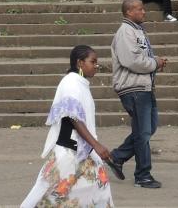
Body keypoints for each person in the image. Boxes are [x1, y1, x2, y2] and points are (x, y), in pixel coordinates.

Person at [20, 45, 117, 208]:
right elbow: (74, 117)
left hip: (83, 154)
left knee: (100, 190)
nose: (96, 66)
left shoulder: (80, 83)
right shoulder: (71, 83)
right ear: (80, 63)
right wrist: (96, 145)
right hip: (69, 153)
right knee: (45, 195)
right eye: (93, 62)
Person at [109, 0, 165, 189]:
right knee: (143, 132)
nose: (143, 11)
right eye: (139, 9)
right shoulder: (125, 32)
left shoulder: (136, 30)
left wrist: (155, 60)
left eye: (143, 8)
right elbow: (131, 61)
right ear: (128, 12)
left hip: (143, 87)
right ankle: (143, 175)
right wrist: (154, 63)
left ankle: (117, 156)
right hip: (133, 88)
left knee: (148, 129)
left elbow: (140, 56)